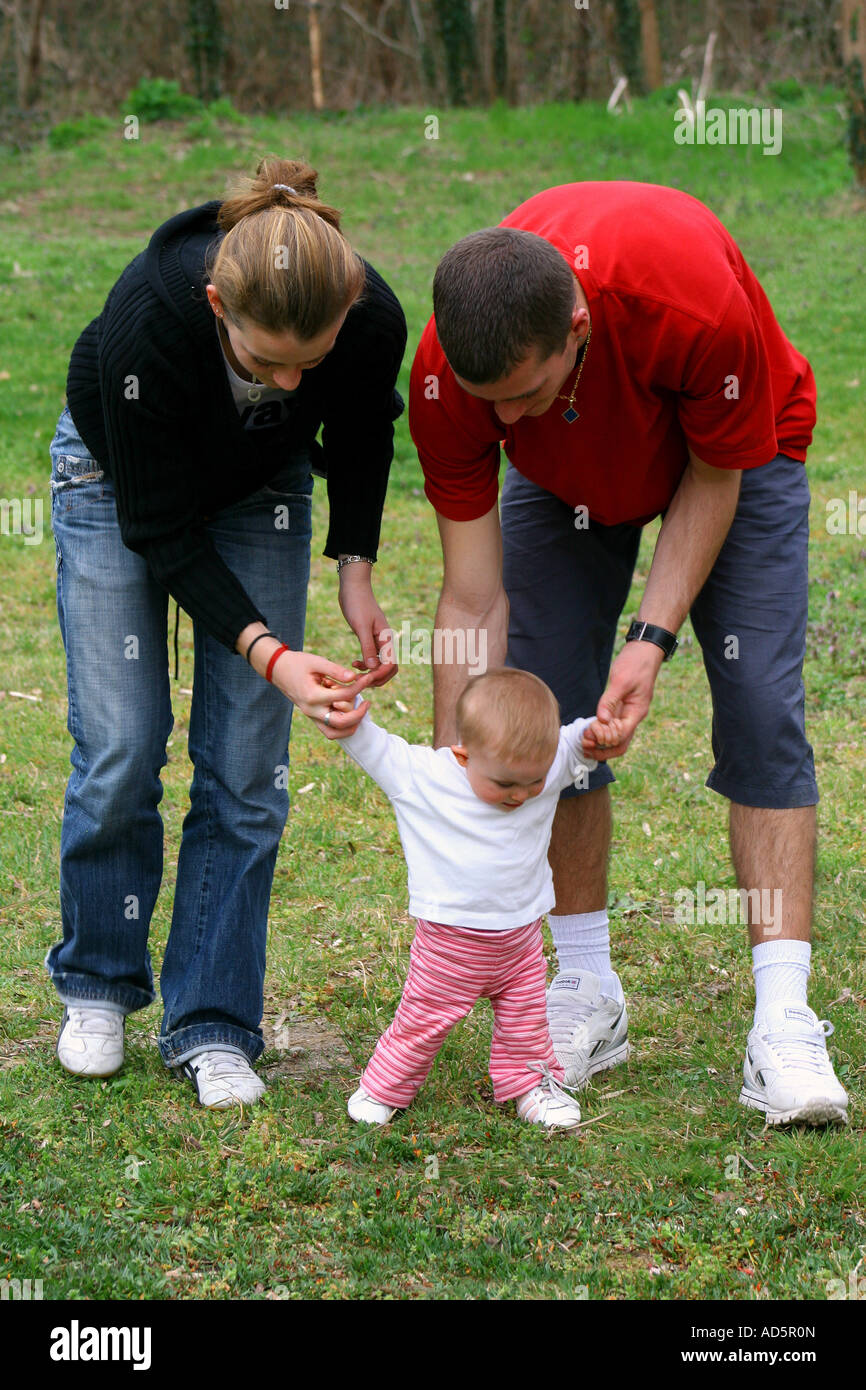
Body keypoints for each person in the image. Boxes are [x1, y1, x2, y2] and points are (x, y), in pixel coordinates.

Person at [408, 180, 848, 1128]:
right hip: (567, 488)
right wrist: (457, 760)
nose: (508, 421)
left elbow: (716, 472)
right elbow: (471, 594)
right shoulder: (450, 378)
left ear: (578, 325)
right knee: (541, 709)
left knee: (764, 706)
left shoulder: (685, 303)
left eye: (527, 392)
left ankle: (783, 1021)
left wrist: (650, 639)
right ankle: (585, 989)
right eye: (495, 407)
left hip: (737, 457)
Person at [46, 157, 406, 1108]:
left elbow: (364, 431)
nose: (292, 379)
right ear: (216, 305)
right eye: (267, 361)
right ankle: (97, 984)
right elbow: (161, 529)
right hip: (117, 479)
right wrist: (273, 653)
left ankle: (211, 1020)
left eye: (311, 361)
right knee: (122, 744)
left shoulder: (366, 318)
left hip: (260, 491)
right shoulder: (152, 319)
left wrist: (355, 573)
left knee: (247, 767)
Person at [315, 667, 623, 1129]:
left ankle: (532, 1083)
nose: (520, 795)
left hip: (521, 942)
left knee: (527, 1024)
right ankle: (384, 1087)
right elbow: (378, 749)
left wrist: (595, 735)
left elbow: (573, 745)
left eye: (533, 783)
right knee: (422, 1022)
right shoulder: (427, 777)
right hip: (450, 945)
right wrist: (349, 720)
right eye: (504, 785)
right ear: (464, 752)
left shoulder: (541, 766)